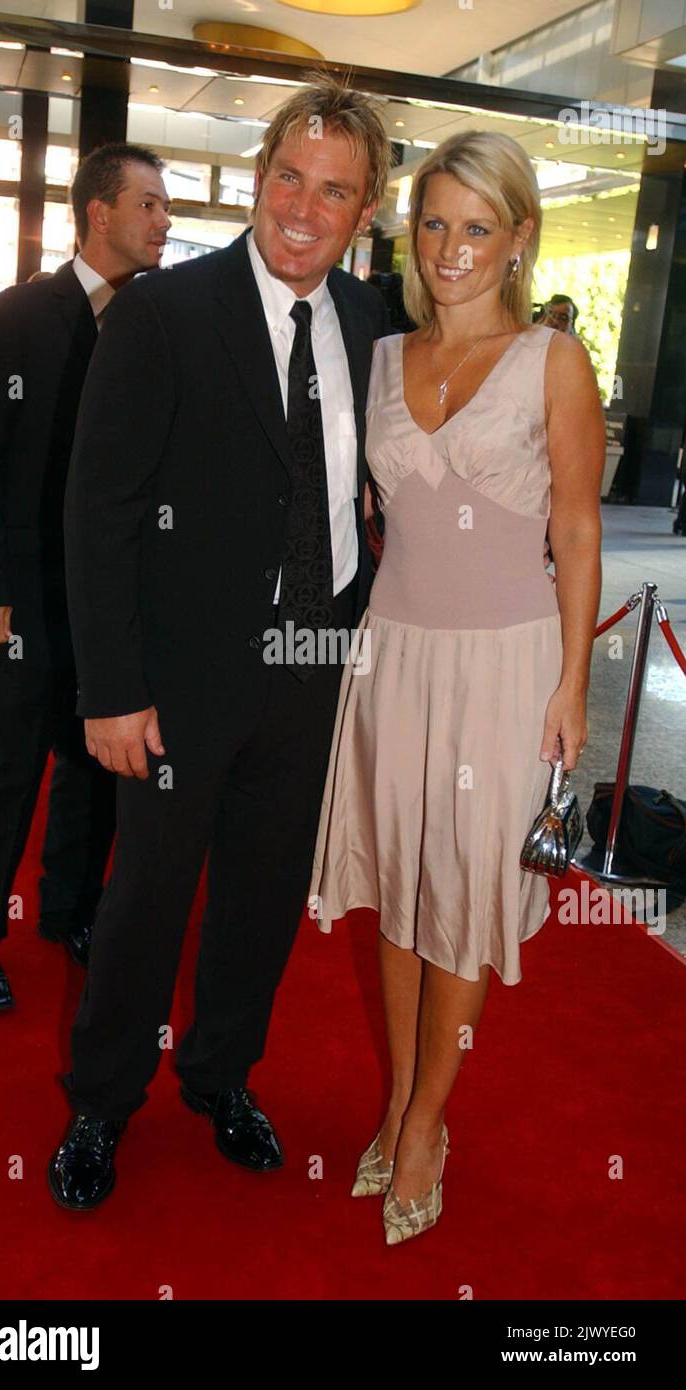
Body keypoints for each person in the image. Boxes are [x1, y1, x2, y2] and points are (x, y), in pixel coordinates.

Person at [48, 77, 392, 1210]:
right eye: (287, 178)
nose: (303, 208)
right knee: (148, 892)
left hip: (314, 666)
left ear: (365, 209)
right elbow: (98, 509)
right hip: (182, 677)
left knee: (262, 891)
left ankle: (221, 1074)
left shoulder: (371, 327)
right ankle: (102, 1101)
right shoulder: (163, 311)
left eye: (333, 190)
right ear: (257, 181)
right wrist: (110, 687)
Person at [309, 130, 605, 1245]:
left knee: (465, 904)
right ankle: (393, 1099)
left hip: (503, 665)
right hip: (397, 656)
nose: (450, 247)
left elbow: (576, 528)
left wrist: (574, 681)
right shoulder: (384, 358)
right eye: (434, 222)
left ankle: (428, 1121)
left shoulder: (552, 362)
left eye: (477, 227)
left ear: (518, 240)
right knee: (397, 889)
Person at [0, 142, 171, 1010]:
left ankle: (70, 911)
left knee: (97, 768)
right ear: (98, 213)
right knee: (7, 769)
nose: (164, 220)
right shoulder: (15, 318)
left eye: (164, 203)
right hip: (28, 597)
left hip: (117, 599)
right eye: (148, 203)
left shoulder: (158, 325)